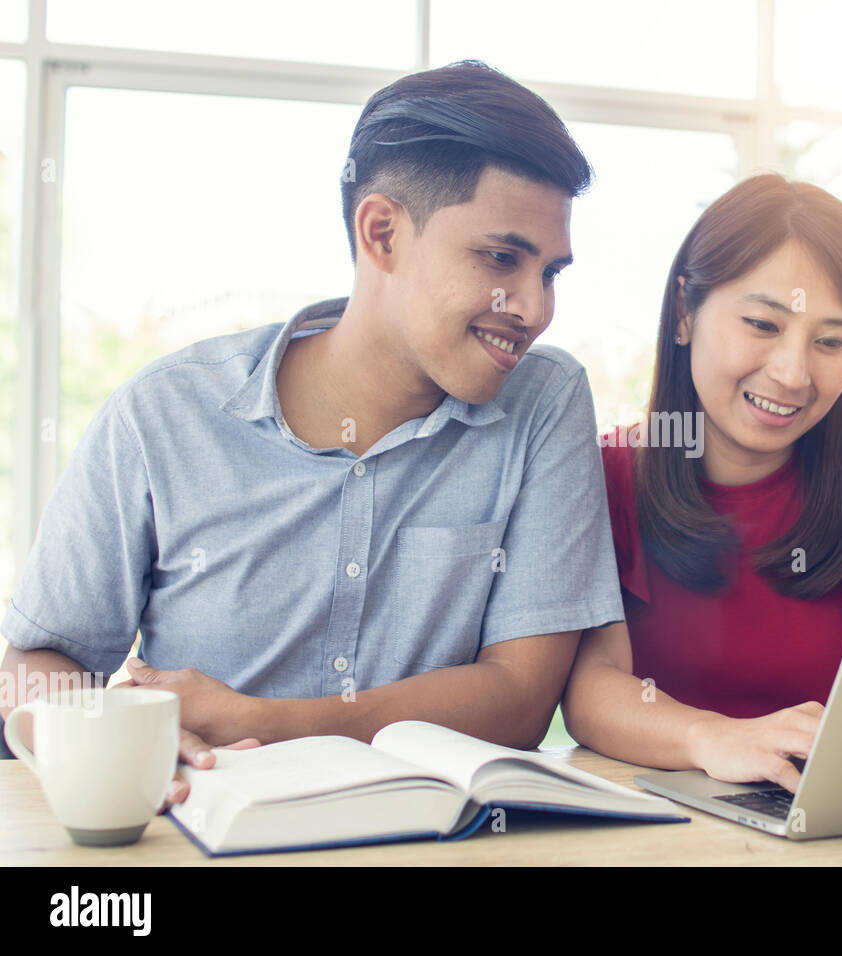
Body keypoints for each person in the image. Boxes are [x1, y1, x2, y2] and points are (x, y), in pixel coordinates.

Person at [0, 61, 625, 805]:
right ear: (382, 233)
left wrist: (265, 722)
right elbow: (36, 664)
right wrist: (116, 740)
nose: (534, 308)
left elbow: (521, 702)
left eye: (551, 272)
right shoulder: (162, 415)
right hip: (199, 829)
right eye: (501, 259)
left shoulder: (544, 401)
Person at [563, 174, 842, 794]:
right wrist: (712, 737)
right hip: (670, 826)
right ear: (685, 312)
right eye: (763, 325)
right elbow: (590, 687)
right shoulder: (605, 479)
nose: (794, 374)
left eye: (830, 341)